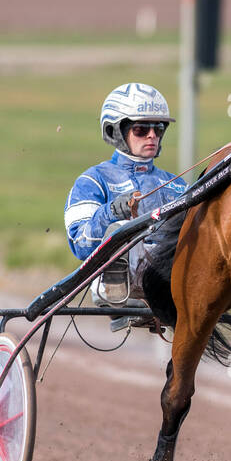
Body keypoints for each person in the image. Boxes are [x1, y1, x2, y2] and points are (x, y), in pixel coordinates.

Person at [64, 83, 187, 307]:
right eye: (141, 130)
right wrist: (109, 213)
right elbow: (80, 243)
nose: (152, 136)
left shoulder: (177, 185)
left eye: (158, 129)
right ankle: (118, 290)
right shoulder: (93, 180)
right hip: (121, 285)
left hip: (173, 278)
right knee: (119, 228)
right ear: (115, 132)